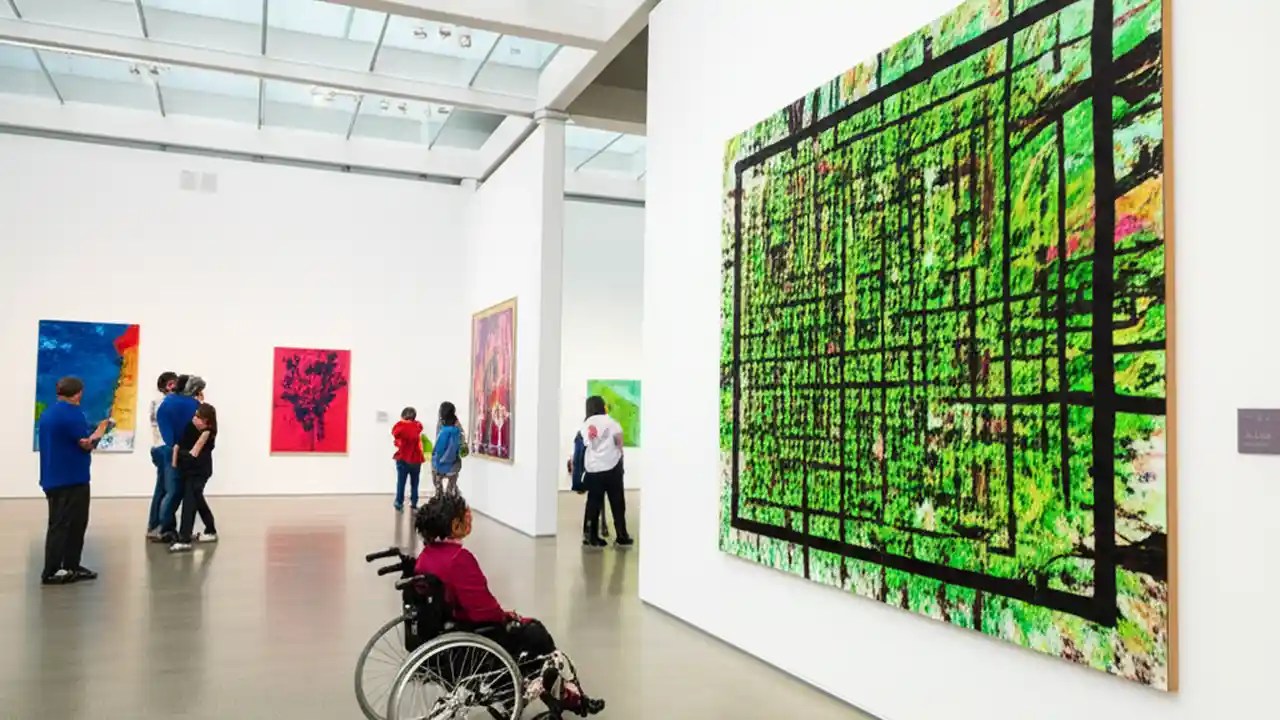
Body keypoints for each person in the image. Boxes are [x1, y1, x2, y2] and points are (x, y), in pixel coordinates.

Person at [414, 494, 605, 716]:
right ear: (455, 525)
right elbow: (484, 611)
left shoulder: (427, 556)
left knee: (532, 639)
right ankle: (572, 698)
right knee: (536, 634)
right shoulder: (459, 558)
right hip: (471, 637)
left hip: (446, 630)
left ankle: (564, 695)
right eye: (465, 516)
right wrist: (507, 617)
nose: (470, 518)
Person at [38, 377, 111, 585]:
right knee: (69, 526)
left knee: (63, 524)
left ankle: (69, 566)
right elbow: (86, 444)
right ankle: (53, 570)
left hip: (53, 477)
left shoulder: (49, 413)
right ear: (78, 393)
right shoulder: (73, 415)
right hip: (72, 479)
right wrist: (101, 430)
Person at [154, 374, 203, 542]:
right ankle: (175, 529)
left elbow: (166, 433)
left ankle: (165, 528)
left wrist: (173, 444)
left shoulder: (166, 404)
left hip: (171, 450)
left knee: (170, 491)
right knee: (181, 491)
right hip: (187, 452)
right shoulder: (194, 404)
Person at [580, 396, 633, 548]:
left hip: (594, 469)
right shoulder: (612, 422)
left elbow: (586, 444)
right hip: (613, 467)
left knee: (593, 503)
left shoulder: (586, 424)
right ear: (603, 406)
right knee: (617, 503)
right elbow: (619, 444)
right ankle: (622, 535)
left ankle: (590, 536)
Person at [170, 403, 219, 552]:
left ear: (207, 421)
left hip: (200, 471)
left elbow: (194, 453)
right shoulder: (192, 428)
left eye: (198, 417)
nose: (194, 419)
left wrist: (180, 454)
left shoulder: (207, 432)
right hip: (192, 470)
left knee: (190, 502)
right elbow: (179, 447)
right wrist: (178, 455)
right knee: (198, 500)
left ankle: (185, 539)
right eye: (195, 415)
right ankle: (210, 530)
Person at [146, 371, 179, 539]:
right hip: (166, 448)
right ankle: (163, 528)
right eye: (172, 384)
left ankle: (155, 525)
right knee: (170, 490)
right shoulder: (167, 404)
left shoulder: (156, 403)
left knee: (161, 488)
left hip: (157, 447)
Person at [569, 431, 608, 541]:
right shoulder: (588, 435)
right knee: (596, 501)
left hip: (592, 472)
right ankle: (592, 531)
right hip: (594, 472)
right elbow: (580, 458)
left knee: (595, 500)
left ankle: (592, 529)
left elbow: (578, 459)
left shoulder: (581, 435)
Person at [391, 406, 425, 511]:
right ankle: (414, 502)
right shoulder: (417, 426)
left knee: (401, 482)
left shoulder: (400, 426)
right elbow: (420, 426)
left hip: (403, 458)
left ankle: (399, 502)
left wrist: (402, 422)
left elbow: (394, 433)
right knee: (415, 483)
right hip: (416, 460)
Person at [431, 402, 464, 496]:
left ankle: (440, 497)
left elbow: (438, 444)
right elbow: (462, 442)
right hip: (454, 463)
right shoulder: (457, 425)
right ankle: (453, 496)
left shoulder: (441, 424)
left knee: (437, 484)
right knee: (451, 487)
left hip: (439, 463)